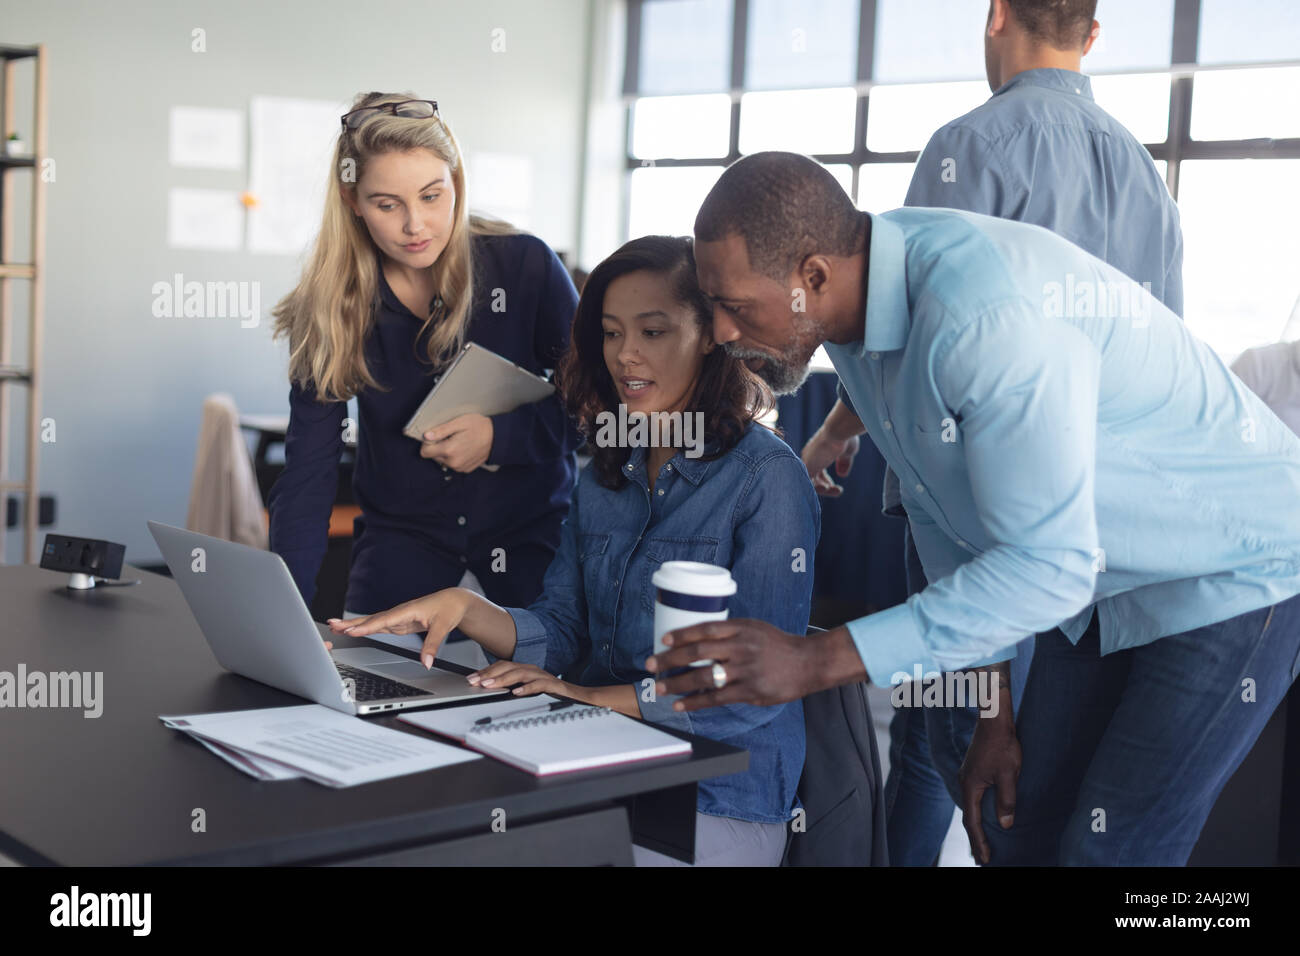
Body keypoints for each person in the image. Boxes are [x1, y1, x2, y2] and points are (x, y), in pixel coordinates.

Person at [647, 150, 1300, 866]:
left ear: (813, 276)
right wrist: (994, 714)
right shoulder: (859, 313)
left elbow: (1047, 569)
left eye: (735, 305)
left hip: (1236, 564)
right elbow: (949, 522)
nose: (721, 331)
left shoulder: (983, 319)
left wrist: (815, 660)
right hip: (1103, 572)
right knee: (1016, 828)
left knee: (1108, 851)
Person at [805, 0, 1185, 866]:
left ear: (996, 13)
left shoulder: (970, 145)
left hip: (971, 492)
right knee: (1029, 760)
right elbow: (1159, 356)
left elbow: (904, 318)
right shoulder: (1146, 173)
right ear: (1092, 35)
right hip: (1097, 522)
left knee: (949, 743)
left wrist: (833, 431)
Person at [331, 235, 820, 867]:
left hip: (715, 799)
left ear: (709, 334)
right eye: (612, 334)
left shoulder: (766, 477)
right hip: (598, 766)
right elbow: (565, 625)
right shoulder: (606, 472)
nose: (626, 356)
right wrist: (465, 607)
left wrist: (589, 698)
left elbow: (759, 684)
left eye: (652, 331)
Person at [268, 92, 583, 629]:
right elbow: (308, 473)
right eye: (387, 205)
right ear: (353, 200)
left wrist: (500, 437)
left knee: (531, 708)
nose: (415, 225)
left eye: (432, 196)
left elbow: (601, 409)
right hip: (397, 570)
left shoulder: (525, 266)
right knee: (368, 706)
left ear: (456, 182)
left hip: (536, 565)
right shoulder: (328, 305)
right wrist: (286, 618)